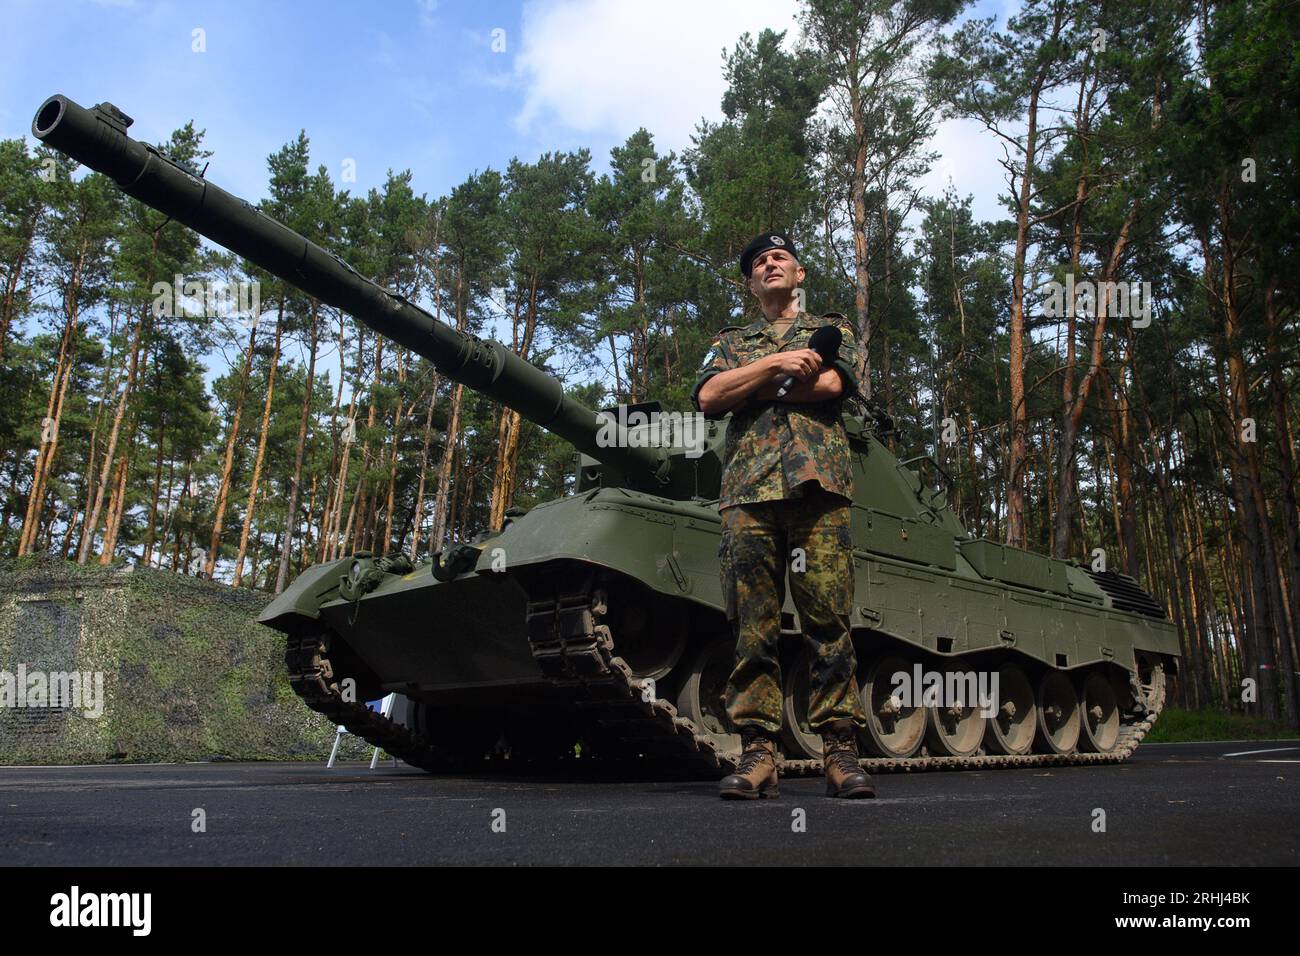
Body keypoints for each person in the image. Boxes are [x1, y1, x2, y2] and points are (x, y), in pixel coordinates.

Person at [691, 231, 875, 800]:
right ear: (751, 284)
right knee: (753, 627)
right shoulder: (730, 340)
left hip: (817, 489)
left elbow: (832, 384)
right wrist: (775, 364)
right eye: (760, 263)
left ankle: (839, 751)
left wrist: (754, 386)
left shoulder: (834, 329)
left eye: (781, 259)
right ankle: (757, 754)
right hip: (747, 493)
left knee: (828, 622)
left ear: (798, 275)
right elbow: (709, 396)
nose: (770, 265)